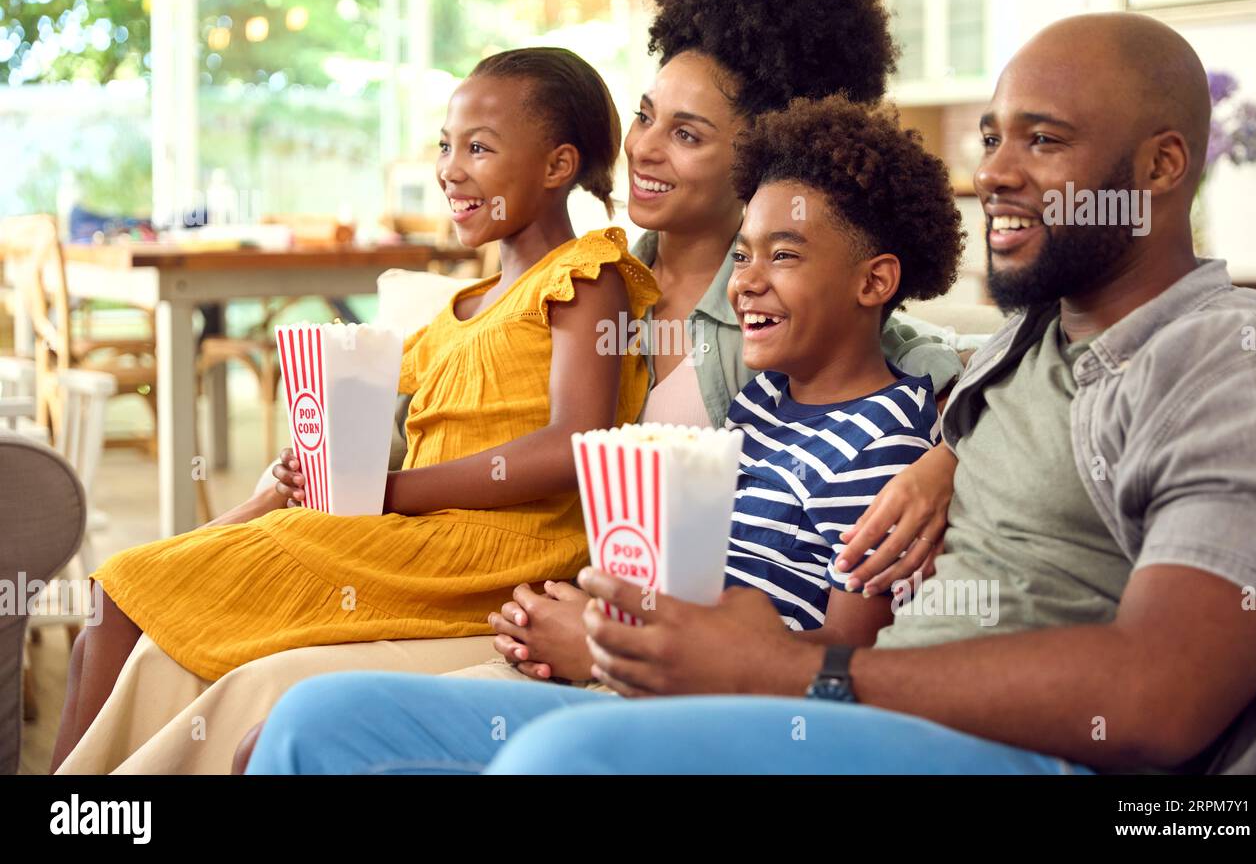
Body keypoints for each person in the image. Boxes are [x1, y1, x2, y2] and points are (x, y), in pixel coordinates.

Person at [254, 12, 1256, 776]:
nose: (994, 172)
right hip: (858, 702)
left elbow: (1155, 697)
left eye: (1043, 138)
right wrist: (949, 456)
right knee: (321, 720)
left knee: (568, 759)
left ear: (1161, 165)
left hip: (1006, 747)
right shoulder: (1022, 344)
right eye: (990, 137)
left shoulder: (1232, 357)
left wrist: (785, 669)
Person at [246, 94, 973, 773]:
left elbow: (847, 669)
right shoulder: (762, 405)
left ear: (874, 283)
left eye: (783, 254)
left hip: (704, 722)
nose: (747, 280)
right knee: (301, 720)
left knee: (317, 730)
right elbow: (696, 583)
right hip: (636, 681)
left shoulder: (885, 447)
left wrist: (604, 648)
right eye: (743, 254)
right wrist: (590, 615)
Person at [49, 46, 659, 772]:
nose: (450, 169)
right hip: (413, 536)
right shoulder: (461, 309)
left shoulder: (585, 277)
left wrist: (391, 492)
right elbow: (372, 414)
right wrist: (309, 470)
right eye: (445, 145)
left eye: (480, 148)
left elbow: (574, 443)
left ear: (558, 166)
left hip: (489, 555)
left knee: (122, 600)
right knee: (114, 598)